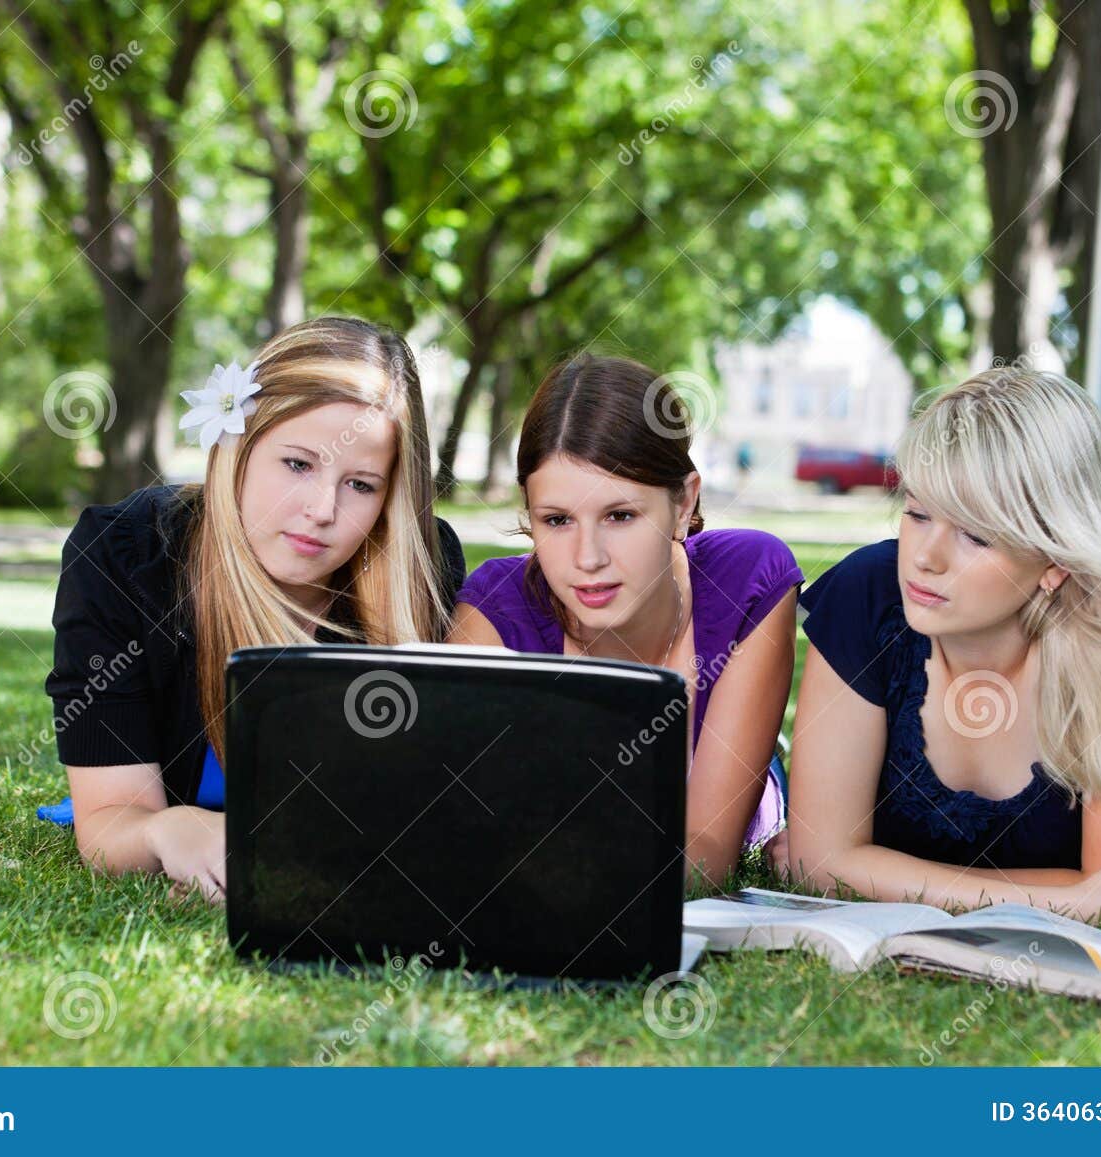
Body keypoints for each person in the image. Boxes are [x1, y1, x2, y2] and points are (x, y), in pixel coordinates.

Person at [43, 316, 465, 904]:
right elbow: (109, 823)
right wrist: (169, 829)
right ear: (237, 447)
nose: (322, 509)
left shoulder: (419, 566)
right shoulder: (124, 555)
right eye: (298, 464)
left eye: (361, 485)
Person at [783, 367, 1101, 927]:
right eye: (917, 513)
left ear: (1056, 559)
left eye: (976, 535)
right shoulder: (867, 596)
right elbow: (819, 865)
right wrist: (1076, 901)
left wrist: (871, 868)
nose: (925, 557)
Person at [448, 354, 802, 886]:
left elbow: (708, 854)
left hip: (732, 785)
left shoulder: (748, 580)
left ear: (683, 504)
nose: (588, 558)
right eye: (557, 520)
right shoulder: (495, 615)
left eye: (620, 515)